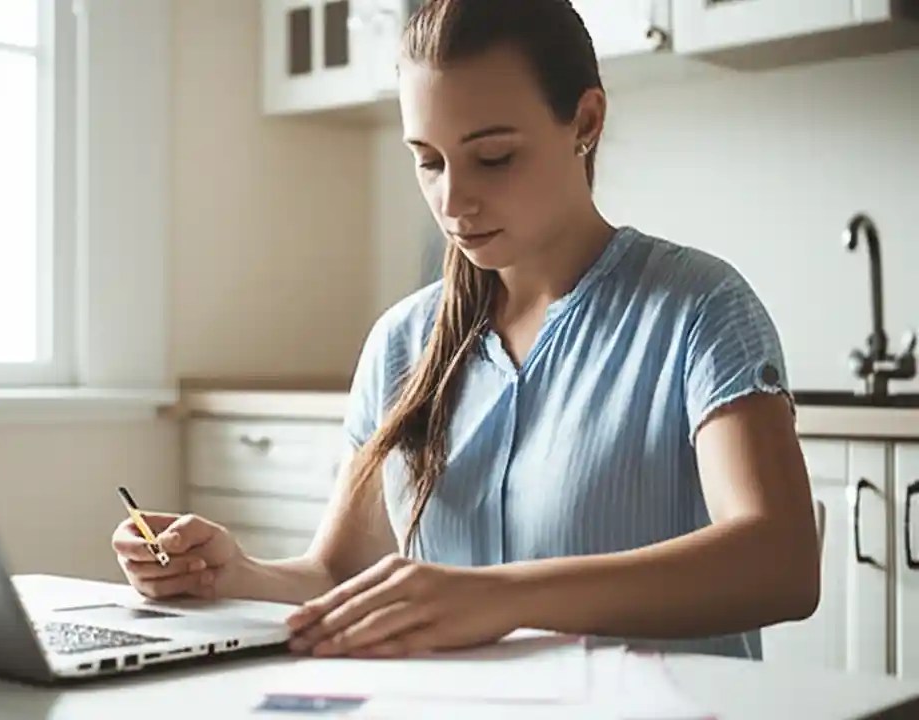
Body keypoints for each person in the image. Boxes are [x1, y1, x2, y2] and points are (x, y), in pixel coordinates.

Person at [112, 0, 819, 660]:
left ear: (586, 122)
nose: (453, 200)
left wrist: (505, 597)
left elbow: (780, 562)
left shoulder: (699, 309)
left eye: (493, 157)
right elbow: (335, 575)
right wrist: (233, 573)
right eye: (428, 160)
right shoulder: (400, 343)